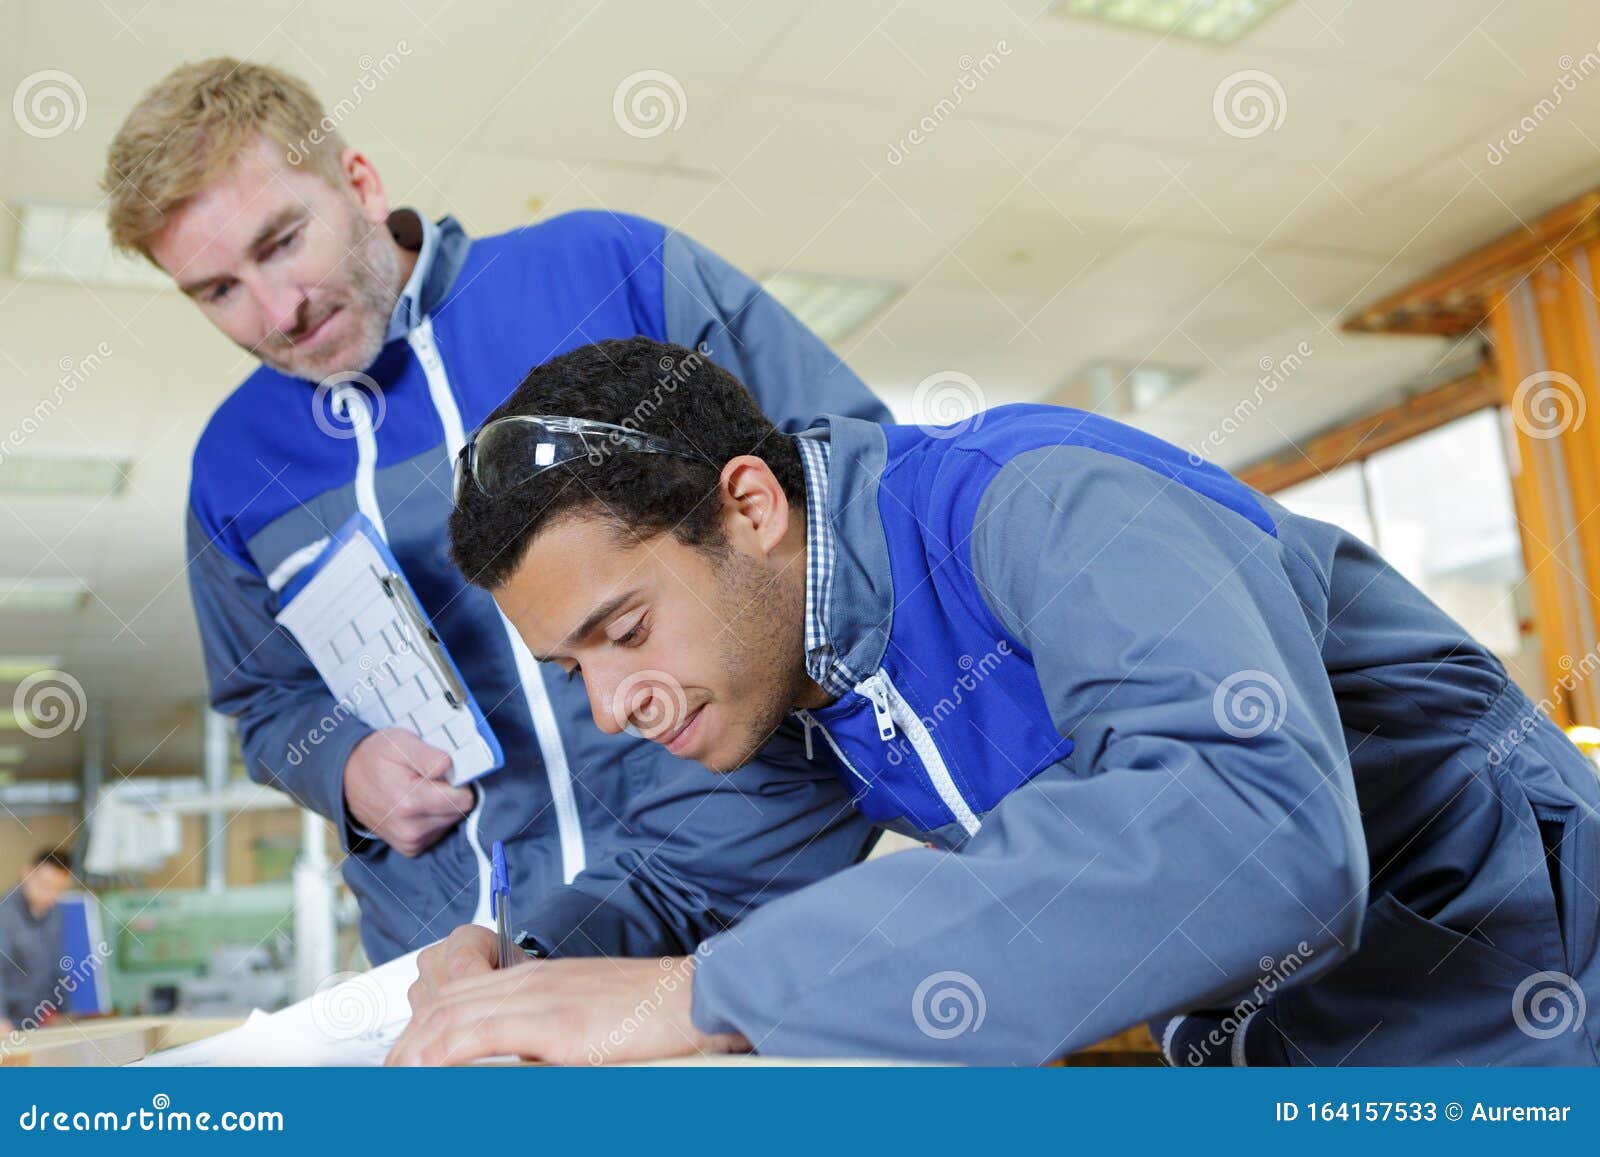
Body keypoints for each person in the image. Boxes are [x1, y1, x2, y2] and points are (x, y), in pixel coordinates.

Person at [390, 336, 1600, 1067]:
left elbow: (1255, 836)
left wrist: (701, 998)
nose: (611, 704)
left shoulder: (1036, 500)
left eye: (625, 631)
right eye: (574, 669)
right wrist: (522, 971)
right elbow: (693, 881)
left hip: (1522, 1004)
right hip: (1291, 1050)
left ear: (749, 507)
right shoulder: (795, 662)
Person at [102, 60, 888, 965]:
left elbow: (847, 497)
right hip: (452, 957)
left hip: (746, 905)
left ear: (357, 183)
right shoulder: (232, 469)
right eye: (217, 290)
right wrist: (344, 768)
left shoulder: (605, 271)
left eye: (282, 242)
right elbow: (266, 696)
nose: (275, 312)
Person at [0, 850, 73, 1034]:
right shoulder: (5, 914)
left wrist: (65, 1011)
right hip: (8, 1023)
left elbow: (56, 966)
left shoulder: (54, 913)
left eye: (59, 889)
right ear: (27, 873)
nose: (51, 895)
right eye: (45, 885)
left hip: (38, 1021)